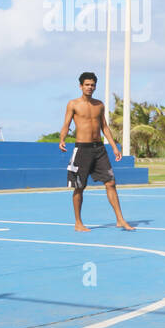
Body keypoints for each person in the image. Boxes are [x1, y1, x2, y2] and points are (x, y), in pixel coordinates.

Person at [59, 73, 133, 231]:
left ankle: (120, 219)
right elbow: (66, 124)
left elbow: (104, 127)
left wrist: (114, 147)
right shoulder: (73, 104)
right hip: (82, 149)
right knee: (79, 186)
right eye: (87, 84)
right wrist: (62, 139)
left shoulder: (99, 105)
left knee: (111, 183)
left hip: (99, 149)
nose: (90, 87)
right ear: (81, 86)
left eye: (92, 85)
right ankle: (78, 223)